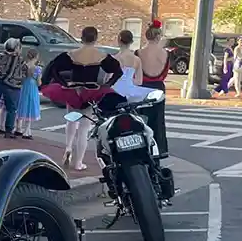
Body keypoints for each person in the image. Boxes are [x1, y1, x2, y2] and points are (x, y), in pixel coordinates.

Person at [41, 26, 123, 171]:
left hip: (73, 90)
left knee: (71, 120)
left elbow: (53, 68)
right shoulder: (101, 55)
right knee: (84, 128)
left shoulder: (72, 54)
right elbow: (118, 71)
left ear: (82, 38)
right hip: (91, 91)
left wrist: (63, 83)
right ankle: (78, 162)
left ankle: (67, 148)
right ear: (96, 38)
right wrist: (107, 85)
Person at [135, 26, 170, 158]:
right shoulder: (165, 53)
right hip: (158, 87)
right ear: (158, 36)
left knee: (142, 118)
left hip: (143, 87)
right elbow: (165, 72)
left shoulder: (139, 52)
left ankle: (142, 147)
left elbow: (136, 73)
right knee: (158, 119)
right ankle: (159, 149)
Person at [0, 38, 28, 136]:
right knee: (11, 109)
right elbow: (24, 74)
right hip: (13, 87)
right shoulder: (21, 61)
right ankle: (9, 131)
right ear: (17, 48)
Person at [14, 48, 42, 139]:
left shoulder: (23, 66)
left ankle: (18, 128)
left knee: (22, 105)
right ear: (36, 57)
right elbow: (39, 83)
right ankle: (27, 131)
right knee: (30, 107)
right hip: (32, 88)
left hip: (24, 87)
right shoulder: (37, 69)